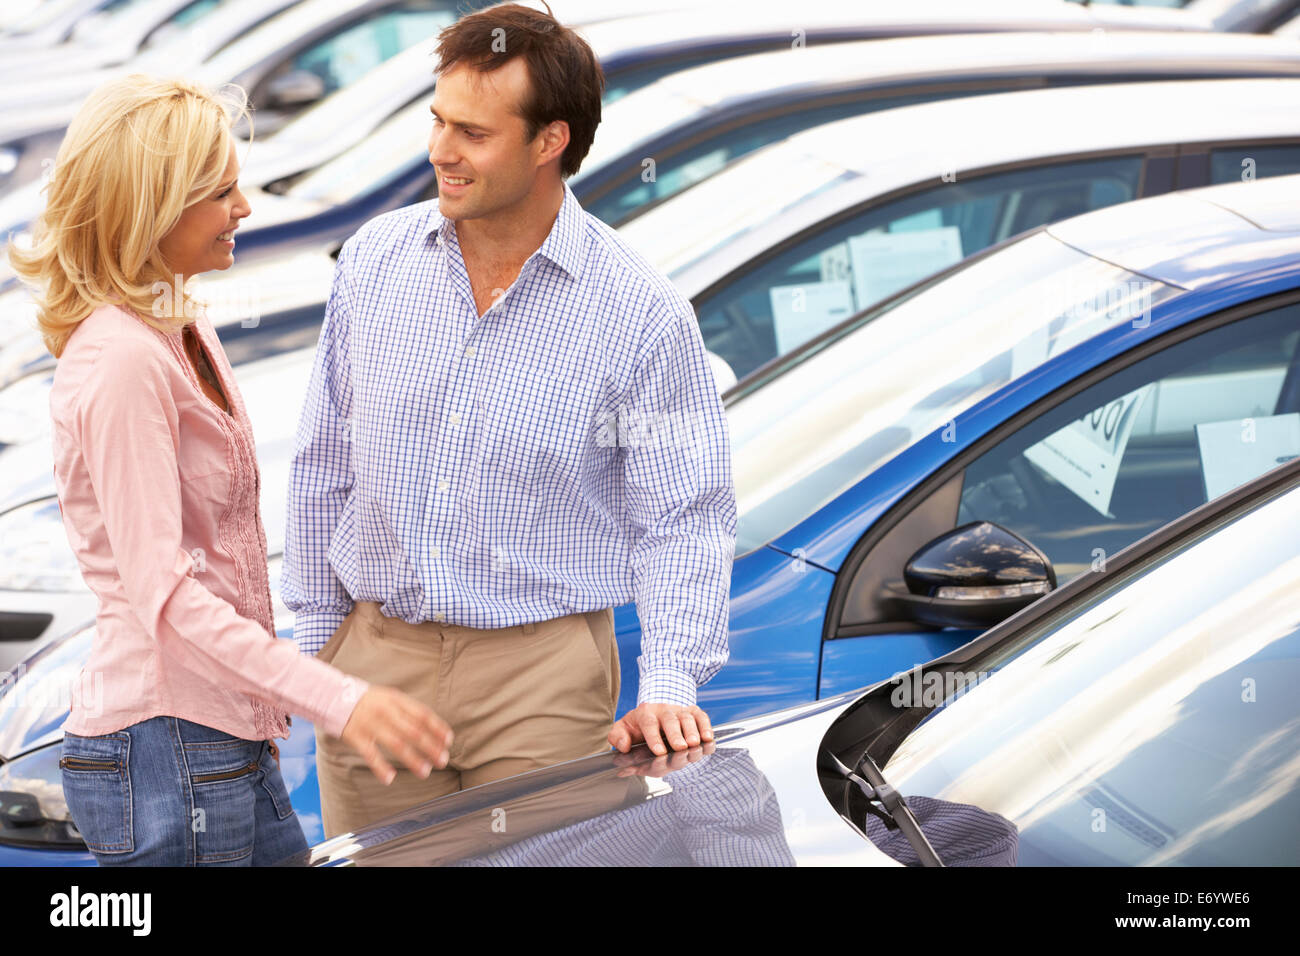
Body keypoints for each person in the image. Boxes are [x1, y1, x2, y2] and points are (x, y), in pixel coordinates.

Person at [283, 2, 737, 839]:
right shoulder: (376, 262)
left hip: (542, 679)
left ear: (549, 141)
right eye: (438, 121)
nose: (440, 153)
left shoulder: (642, 314)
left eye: (473, 134)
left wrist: (671, 680)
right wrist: (322, 654)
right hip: (378, 663)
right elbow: (324, 464)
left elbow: (684, 517)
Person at [9, 74, 453, 866]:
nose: (243, 208)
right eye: (219, 193)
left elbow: (226, 563)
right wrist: (336, 699)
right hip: (165, 741)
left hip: (217, 734)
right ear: (150, 210)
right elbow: (167, 594)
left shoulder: (180, 323)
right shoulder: (119, 361)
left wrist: (266, 706)